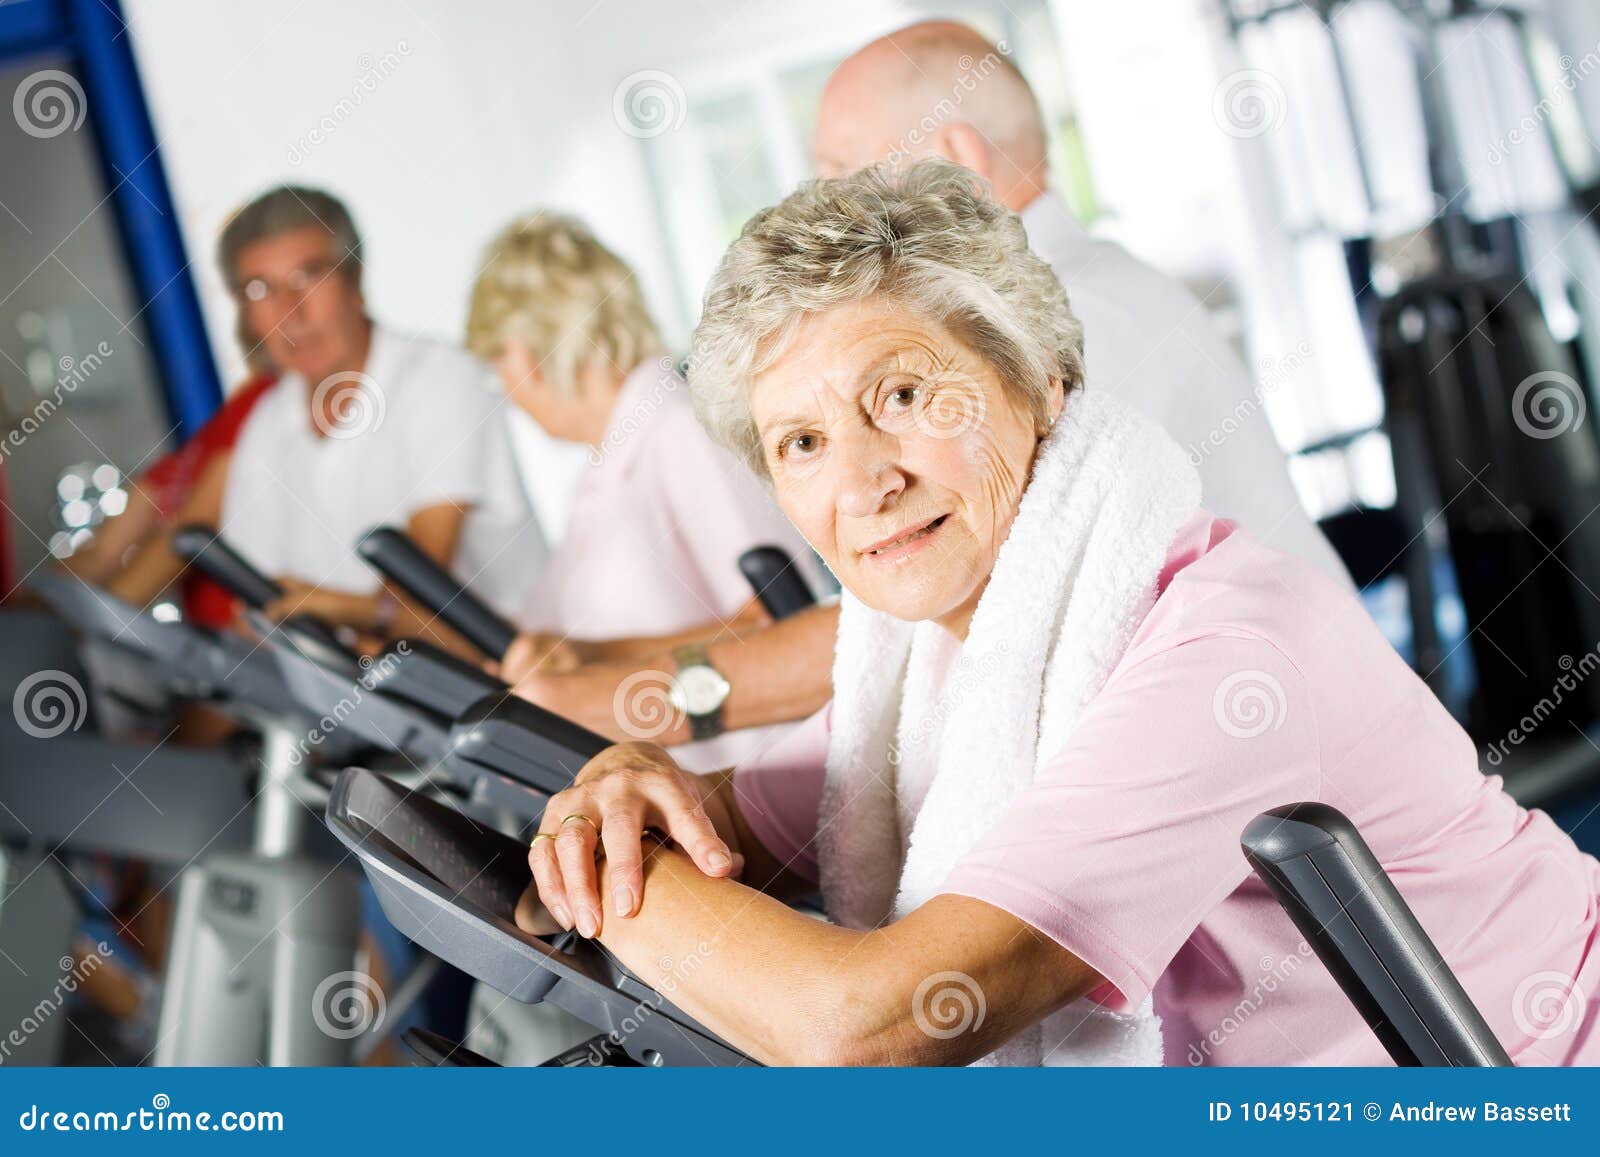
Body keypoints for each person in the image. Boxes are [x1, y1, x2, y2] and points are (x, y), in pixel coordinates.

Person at [513, 161, 1600, 1067]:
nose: (861, 482)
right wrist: (620, 790)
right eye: (801, 443)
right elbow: (752, 815)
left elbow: (871, 1024)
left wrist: (605, 878)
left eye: (900, 396)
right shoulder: (948, 668)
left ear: (1038, 380)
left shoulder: (1220, 654)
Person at [508, 18, 1351, 750]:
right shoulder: (1052, 296)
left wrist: (642, 698)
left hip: (1294, 758)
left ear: (953, 159)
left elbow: (940, 609)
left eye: (842, 172)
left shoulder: (1074, 316)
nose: (823, 208)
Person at [105, 186, 542, 652]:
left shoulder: (439, 379)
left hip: (500, 691)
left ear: (354, 281)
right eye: (261, 289)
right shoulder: (268, 422)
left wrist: (325, 615)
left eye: (309, 276)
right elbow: (254, 621)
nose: (290, 313)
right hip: (358, 699)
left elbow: (420, 596)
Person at [467, 212, 821, 771]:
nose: (506, 394)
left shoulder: (678, 427)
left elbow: (780, 619)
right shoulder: (608, 463)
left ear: (531, 350)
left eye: (497, 367)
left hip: (756, 777)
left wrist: (592, 662)